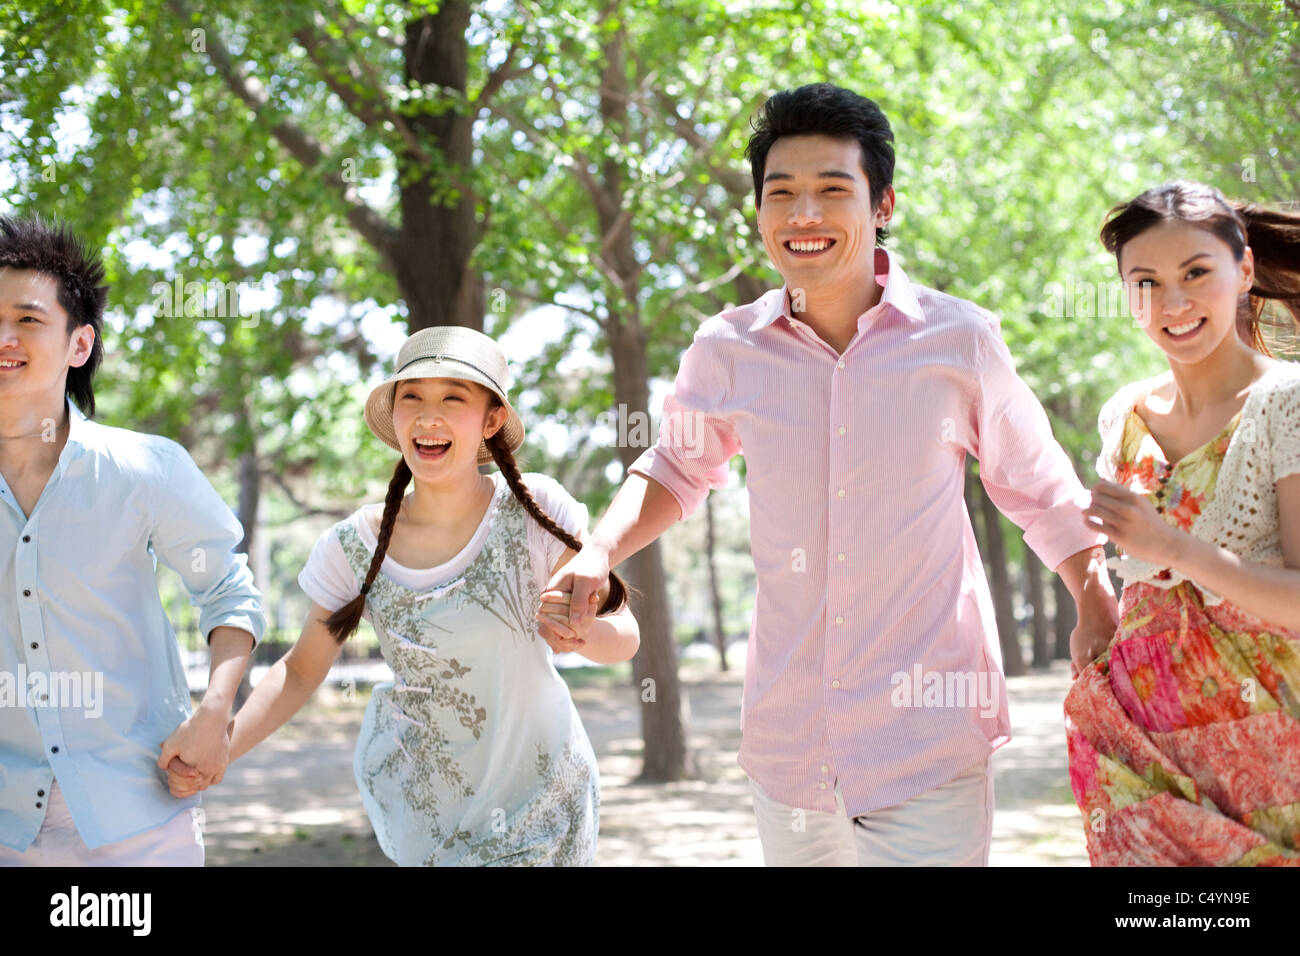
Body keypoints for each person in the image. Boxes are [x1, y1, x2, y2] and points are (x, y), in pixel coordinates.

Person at [542, 83, 1119, 866]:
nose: (803, 215)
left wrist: (1092, 594)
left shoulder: (960, 341)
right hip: (790, 751)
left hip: (928, 744)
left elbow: (1040, 486)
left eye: (831, 190)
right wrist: (597, 551)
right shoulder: (728, 347)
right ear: (758, 214)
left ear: (883, 205)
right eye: (781, 193)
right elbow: (676, 465)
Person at [168, 326, 639, 866]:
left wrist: (585, 633)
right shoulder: (354, 547)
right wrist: (219, 748)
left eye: (452, 398)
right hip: (432, 817)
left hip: (545, 804)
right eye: (411, 397)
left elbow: (625, 637)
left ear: (491, 421)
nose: (428, 416)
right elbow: (300, 671)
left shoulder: (533, 511)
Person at [0, 214, 264, 866]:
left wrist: (214, 714)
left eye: (27, 318)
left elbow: (227, 590)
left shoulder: (147, 469)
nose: (3, 336)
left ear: (78, 344)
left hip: (140, 816)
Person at [1066, 181, 1300, 866]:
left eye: (1197, 273)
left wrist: (1175, 547)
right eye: (1146, 283)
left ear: (1245, 271)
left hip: (1271, 758)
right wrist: (1092, 605)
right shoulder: (1125, 414)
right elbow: (1126, 569)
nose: (1173, 304)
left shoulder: (1286, 403)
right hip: (1142, 756)